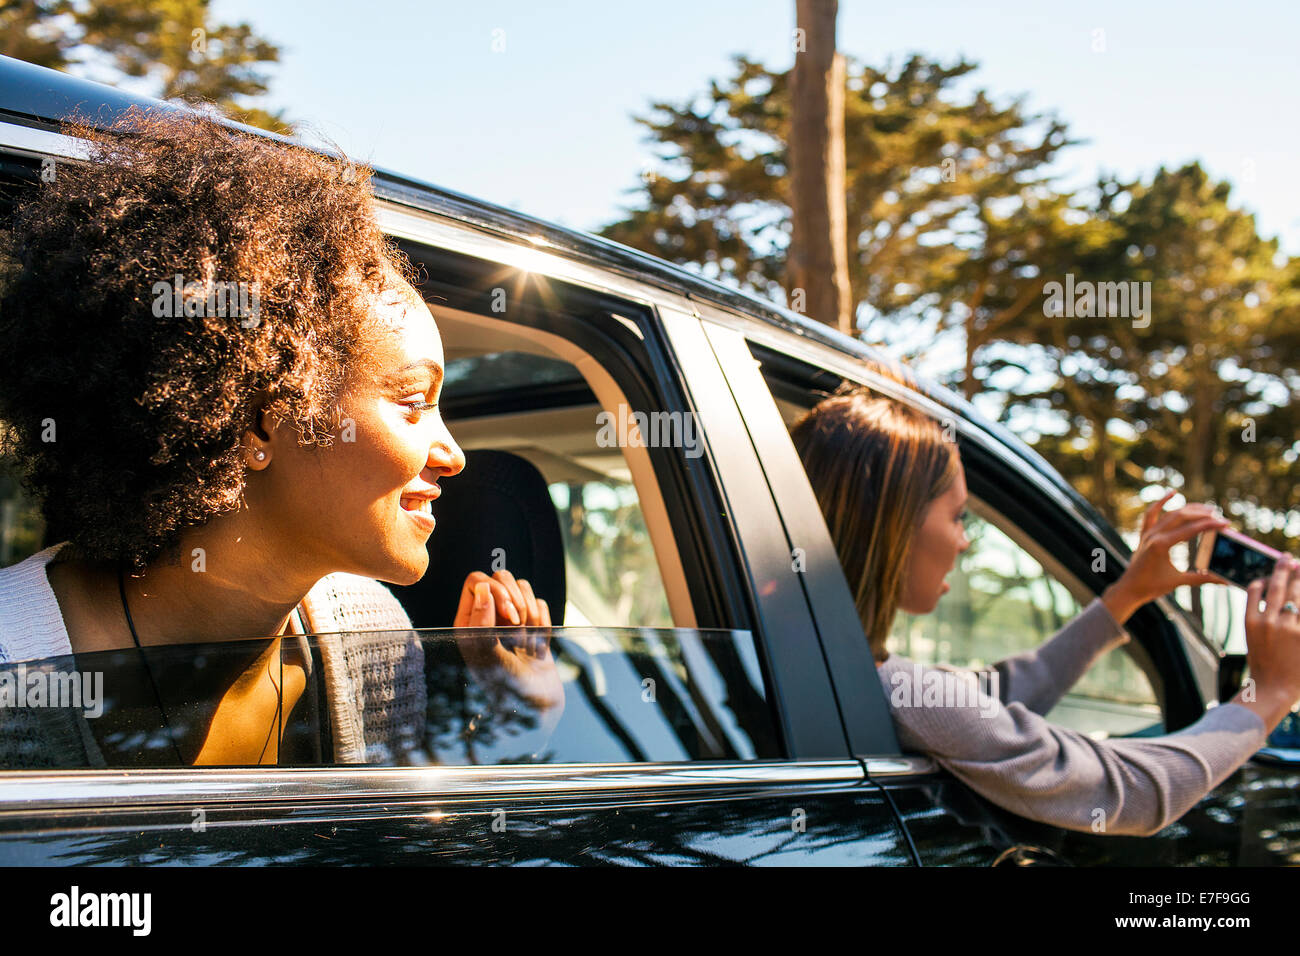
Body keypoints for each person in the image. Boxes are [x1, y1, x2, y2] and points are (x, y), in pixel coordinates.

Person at [0, 106, 561, 767]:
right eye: (415, 403)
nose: (453, 454)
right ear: (264, 420)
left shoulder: (372, 639)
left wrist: (521, 722)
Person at [791, 387, 1300, 836]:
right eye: (958, 516)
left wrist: (1126, 596)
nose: (966, 542)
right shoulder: (890, 689)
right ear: (894, 526)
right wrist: (1271, 694)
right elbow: (1132, 790)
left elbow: (990, 700)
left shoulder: (822, 668)